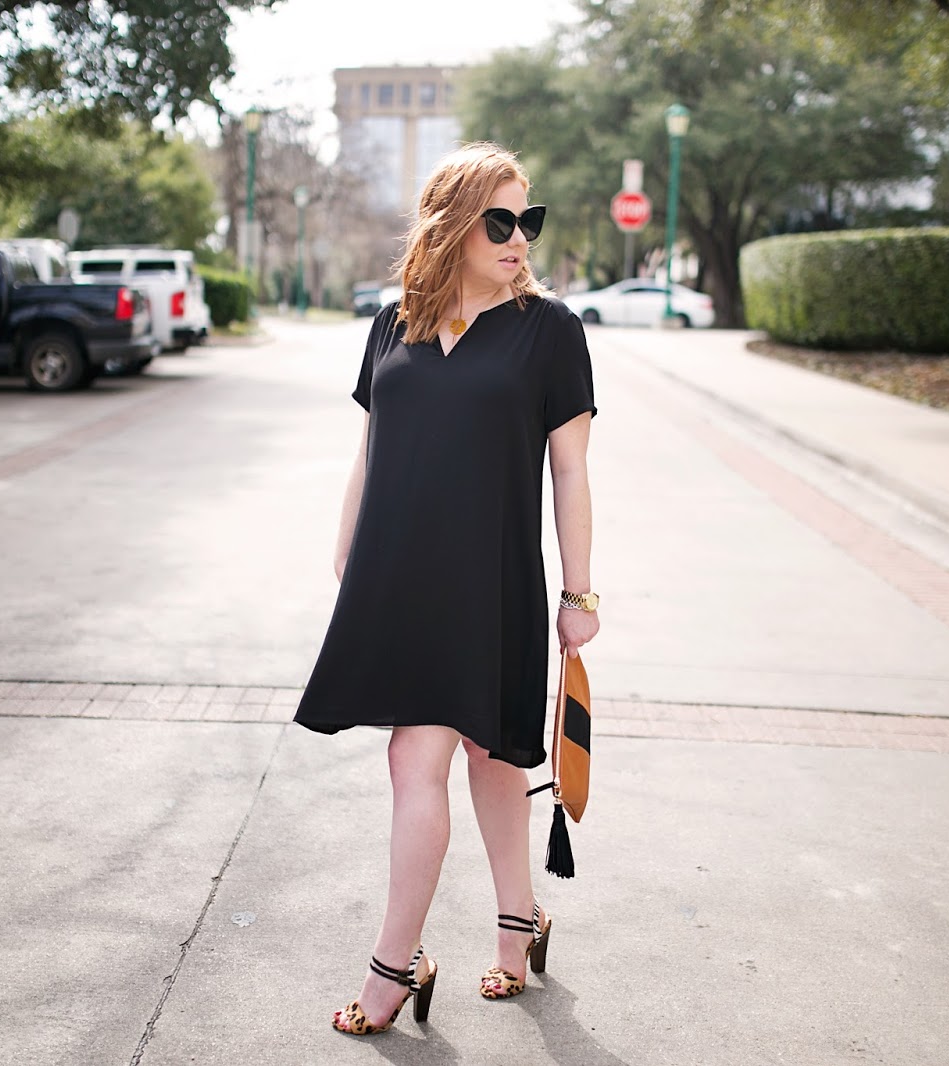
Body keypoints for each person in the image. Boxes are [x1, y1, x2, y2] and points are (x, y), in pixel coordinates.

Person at [294, 141, 600, 1037]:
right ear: (453, 223)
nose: (518, 238)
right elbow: (370, 447)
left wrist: (580, 596)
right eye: (499, 221)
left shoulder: (550, 330)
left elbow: (570, 471)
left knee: (493, 754)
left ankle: (475, 939)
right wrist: (348, 554)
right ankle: (432, 951)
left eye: (527, 220)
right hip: (399, 576)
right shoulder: (392, 323)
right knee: (415, 759)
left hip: (492, 579)